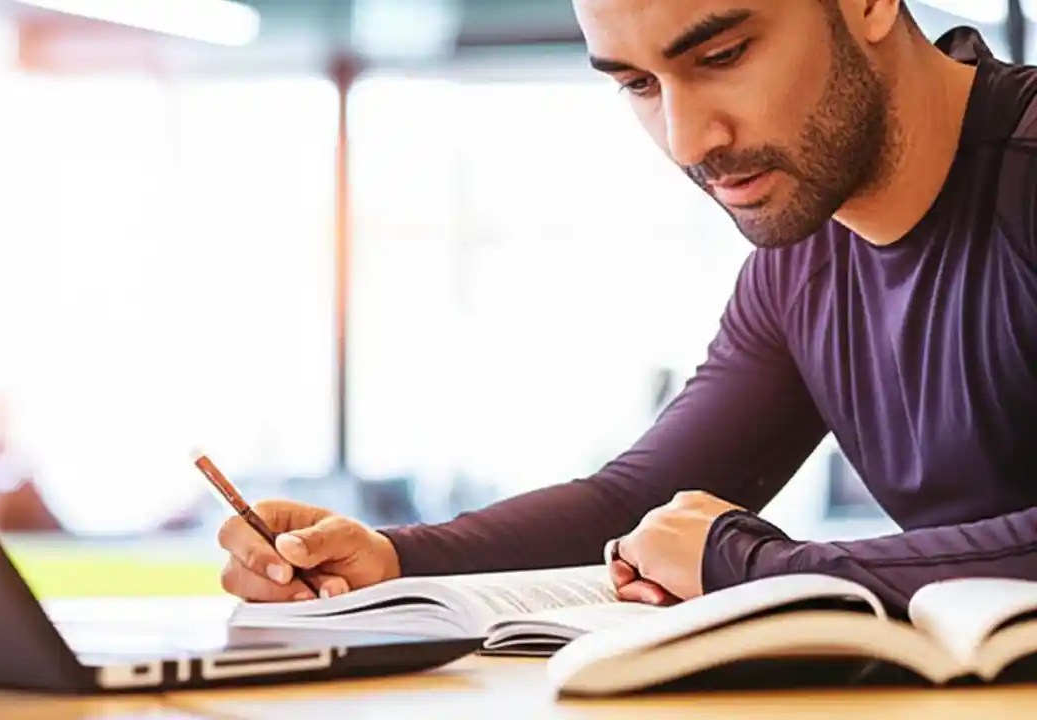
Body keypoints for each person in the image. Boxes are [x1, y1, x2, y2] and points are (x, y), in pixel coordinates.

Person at [218, 0, 1037, 614]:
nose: (686, 141)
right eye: (640, 84)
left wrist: (750, 567)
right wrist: (389, 558)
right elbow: (633, 505)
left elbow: (715, 553)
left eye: (721, 54)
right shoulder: (802, 264)